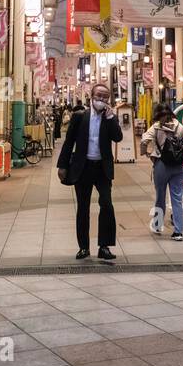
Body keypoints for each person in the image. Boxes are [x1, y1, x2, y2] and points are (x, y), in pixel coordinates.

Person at [57, 82, 123, 260]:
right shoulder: (80, 117)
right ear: (91, 97)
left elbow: (118, 137)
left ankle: (104, 246)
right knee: (83, 207)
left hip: (102, 168)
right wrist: (62, 165)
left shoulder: (111, 117)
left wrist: (111, 119)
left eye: (105, 96)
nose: (101, 99)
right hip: (83, 167)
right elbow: (69, 142)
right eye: (99, 95)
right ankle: (84, 247)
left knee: (107, 205)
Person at [141, 104, 183, 242]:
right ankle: (178, 232)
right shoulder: (180, 127)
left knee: (160, 197)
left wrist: (149, 154)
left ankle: (157, 225)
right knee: (177, 199)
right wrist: (180, 155)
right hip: (178, 167)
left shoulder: (156, 127)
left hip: (161, 165)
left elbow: (144, 140)